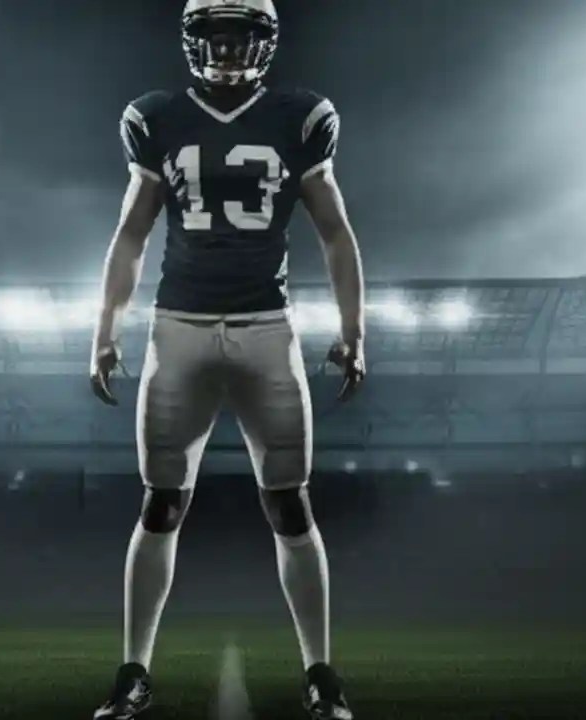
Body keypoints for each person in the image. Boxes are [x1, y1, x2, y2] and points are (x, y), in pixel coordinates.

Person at [88, 1, 366, 717]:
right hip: (178, 326)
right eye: (215, 36)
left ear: (266, 42)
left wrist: (354, 327)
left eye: (241, 36)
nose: (227, 49)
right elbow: (130, 235)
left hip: (265, 327)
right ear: (191, 42)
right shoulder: (156, 119)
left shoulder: (298, 118)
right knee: (161, 502)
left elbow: (335, 231)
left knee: (290, 505)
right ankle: (132, 672)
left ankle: (321, 672)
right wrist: (105, 330)